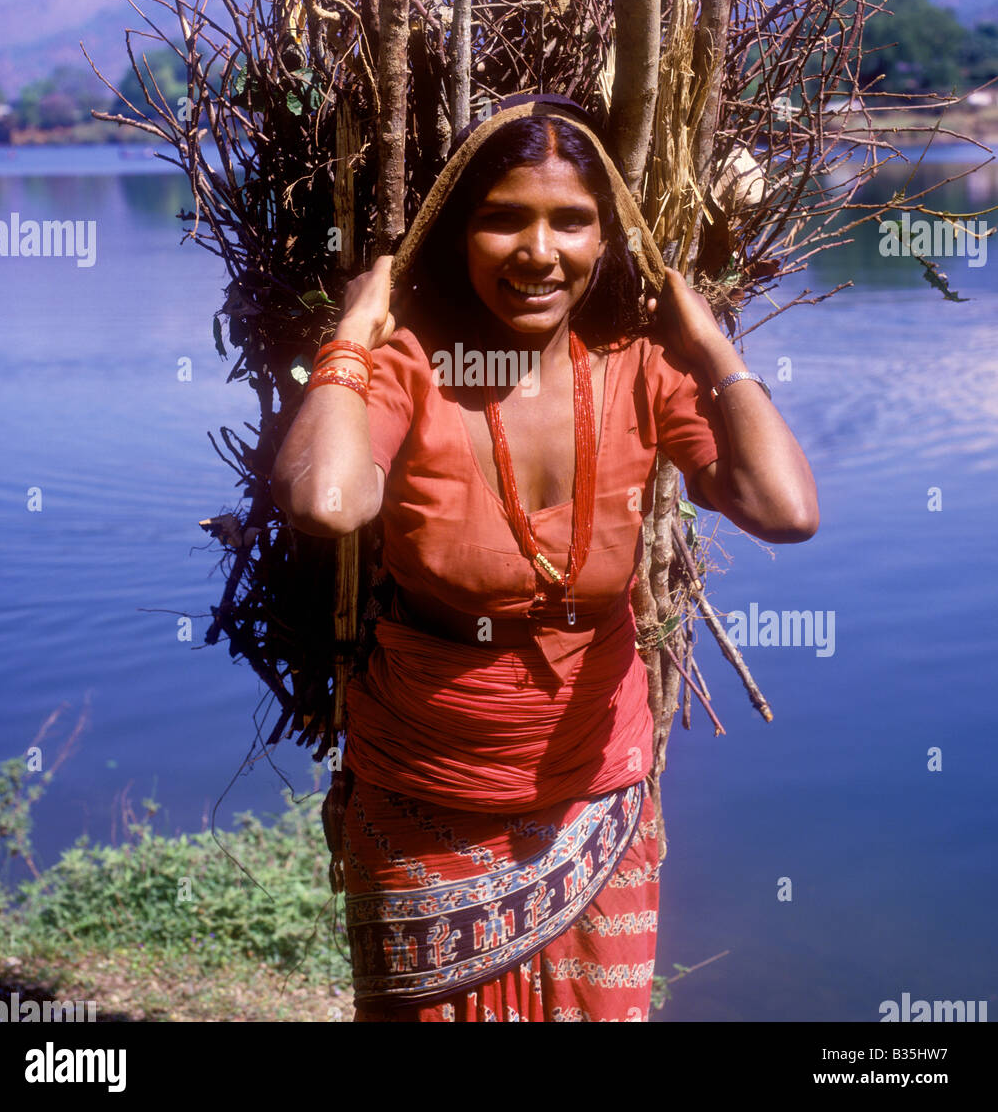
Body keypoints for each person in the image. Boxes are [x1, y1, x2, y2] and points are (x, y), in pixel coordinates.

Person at [271, 95, 818, 1022]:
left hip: (593, 779)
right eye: (503, 219)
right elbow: (329, 501)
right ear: (458, 235)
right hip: (425, 781)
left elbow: (785, 510)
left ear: (605, 238)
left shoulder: (643, 371)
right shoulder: (408, 369)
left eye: (571, 220)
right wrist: (352, 338)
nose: (538, 252)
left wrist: (710, 344)